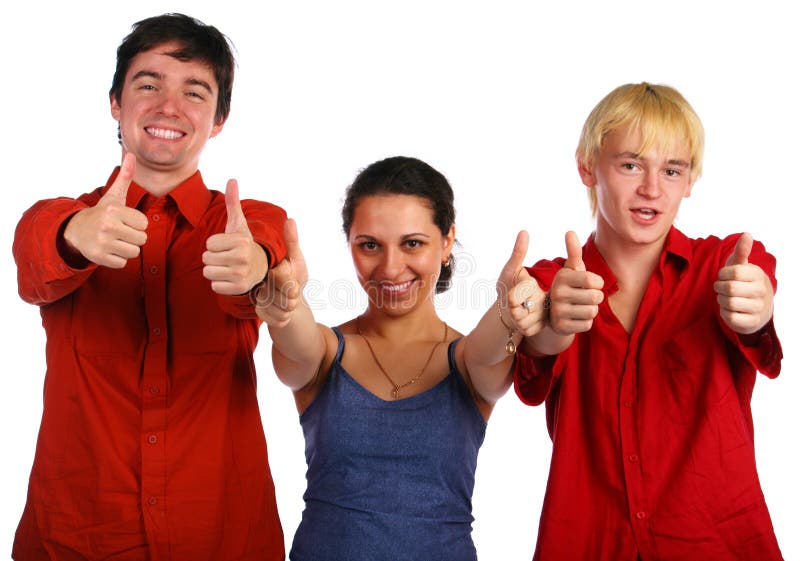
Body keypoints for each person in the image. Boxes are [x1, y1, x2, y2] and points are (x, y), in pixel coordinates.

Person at [12, 14, 287, 561]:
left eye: (194, 91)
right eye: (148, 85)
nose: (169, 107)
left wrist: (253, 266)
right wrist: (75, 235)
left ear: (218, 119)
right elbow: (36, 264)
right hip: (78, 537)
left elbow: (262, 257)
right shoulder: (58, 217)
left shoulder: (249, 220)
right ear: (115, 102)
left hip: (222, 537)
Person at [511, 82, 784, 561]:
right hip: (589, 543)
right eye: (631, 164)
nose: (652, 189)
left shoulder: (723, 263)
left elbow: (755, 300)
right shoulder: (554, 281)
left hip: (717, 543)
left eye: (672, 169)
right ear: (587, 167)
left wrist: (755, 312)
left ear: (690, 181)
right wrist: (552, 324)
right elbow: (537, 348)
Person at [255, 156, 546, 561]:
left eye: (413, 243)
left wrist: (507, 312)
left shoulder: (466, 361)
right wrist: (285, 309)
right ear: (350, 245)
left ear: (446, 243)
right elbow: (296, 339)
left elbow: (488, 346)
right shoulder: (325, 355)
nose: (390, 268)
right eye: (370, 245)